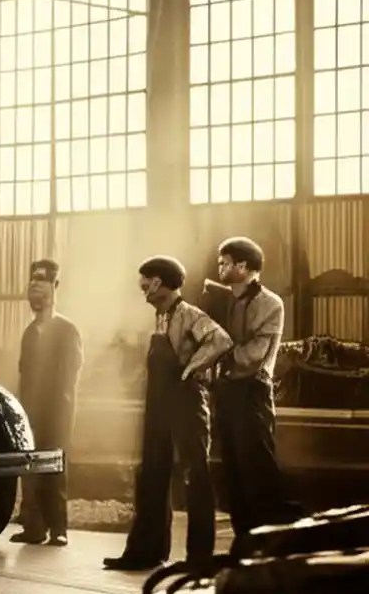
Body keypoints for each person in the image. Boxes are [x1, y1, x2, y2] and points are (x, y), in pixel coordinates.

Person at [104, 256, 232, 571]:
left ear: (159, 282)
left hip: (186, 402)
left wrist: (189, 370)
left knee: (196, 477)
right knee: (152, 473)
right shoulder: (160, 319)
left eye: (145, 283)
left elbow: (221, 340)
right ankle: (145, 551)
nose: (143, 290)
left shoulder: (190, 314)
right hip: (159, 404)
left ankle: (199, 559)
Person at [206, 237, 304, 538]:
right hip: (225, 392)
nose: (219, 267)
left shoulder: (270, 304)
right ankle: (243, 539)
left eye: (225, 262)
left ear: (243, 266)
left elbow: (256, 353)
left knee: (257, 467)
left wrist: (219, 357)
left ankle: (269, 540)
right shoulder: (221, 300)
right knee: (232, 467)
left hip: (253, 393)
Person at [8, 259, 82, 547]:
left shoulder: (67, 330)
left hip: (58, 411)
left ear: (55, 287)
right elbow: (24, 374)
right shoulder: (29, 333)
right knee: (30, 466)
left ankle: (58, 528)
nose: (35, 287)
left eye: (42, 282)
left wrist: (60, 412)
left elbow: (70, 376)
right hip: (30, 411)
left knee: (54, 466)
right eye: (32, 283)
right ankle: (33, 527)